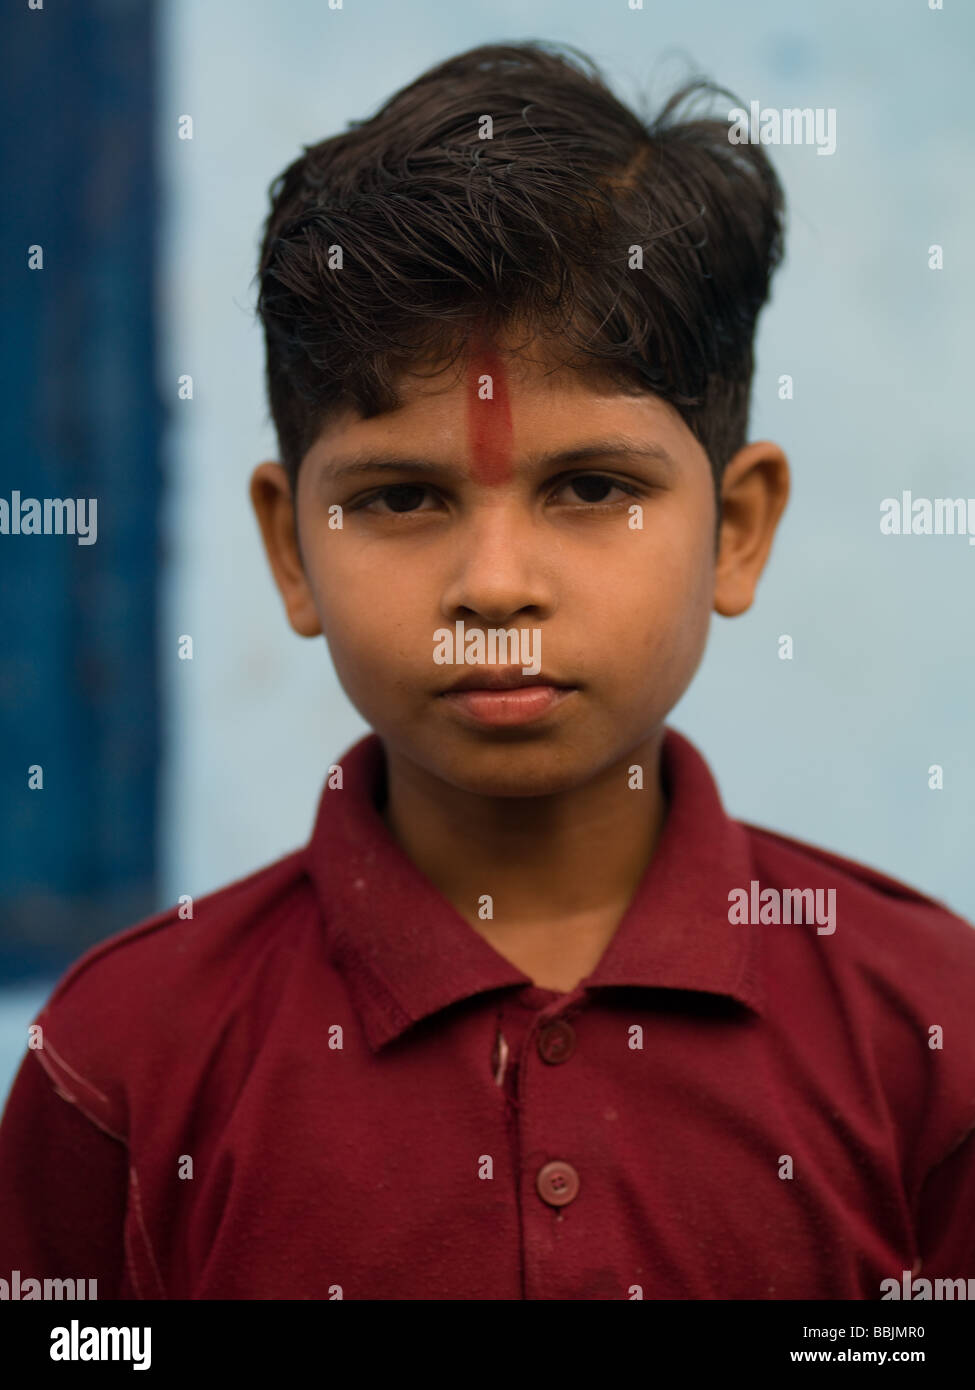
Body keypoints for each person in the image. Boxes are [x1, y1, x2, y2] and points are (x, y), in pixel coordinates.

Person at [1, 41, 973, 1301]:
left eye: (591, 488)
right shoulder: (122, 1062)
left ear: (736, 528)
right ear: (290, 547)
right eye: (402, 496)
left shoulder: (925, 1035)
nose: (496, 583)